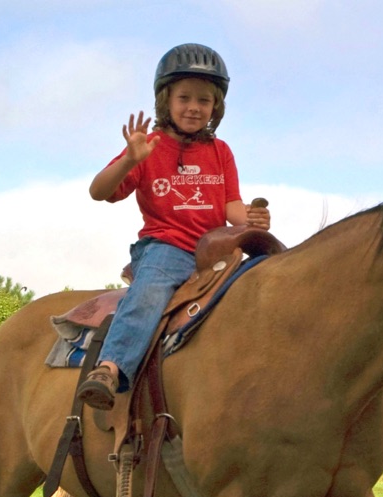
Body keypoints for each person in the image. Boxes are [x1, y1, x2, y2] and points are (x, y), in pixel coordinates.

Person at [77, 43, 271, 411]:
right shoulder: (149, 146)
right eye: (184, 98)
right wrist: (128, 161)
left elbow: (231, 207)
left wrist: (252, 218)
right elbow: (98, 191)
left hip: (216, 251)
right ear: (165, 101)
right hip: (167, 247)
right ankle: (110, 367)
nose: (194, 107)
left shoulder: (221, 151)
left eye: (204, 100)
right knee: (150, 292)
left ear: (217, 107)